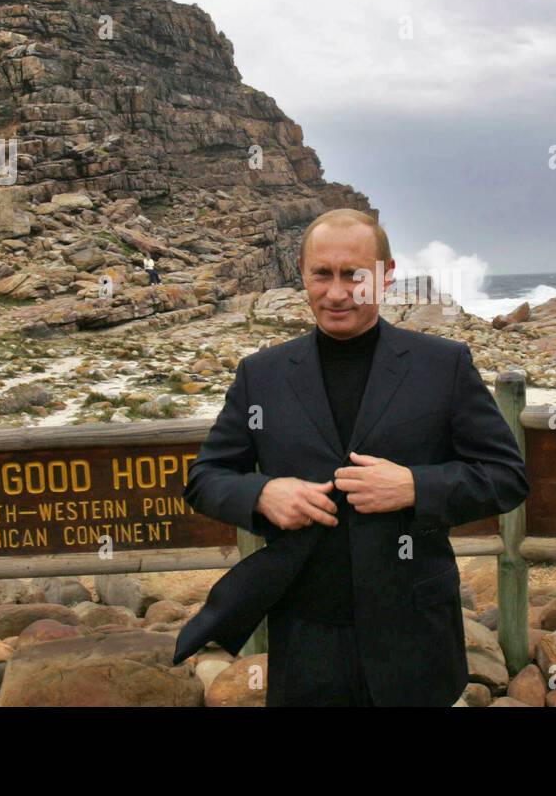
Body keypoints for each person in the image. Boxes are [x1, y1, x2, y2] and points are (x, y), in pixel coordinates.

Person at [176, 208, 529, 706]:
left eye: (353, 275)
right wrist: (262, 494)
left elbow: (507, 477)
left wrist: (414, 487)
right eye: (322, 274)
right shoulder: (262, 375)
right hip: (306, 640)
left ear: (385, 275)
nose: (337, 293)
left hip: (416, 638)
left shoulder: (444, 366)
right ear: (303, 274)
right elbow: (205, 478)